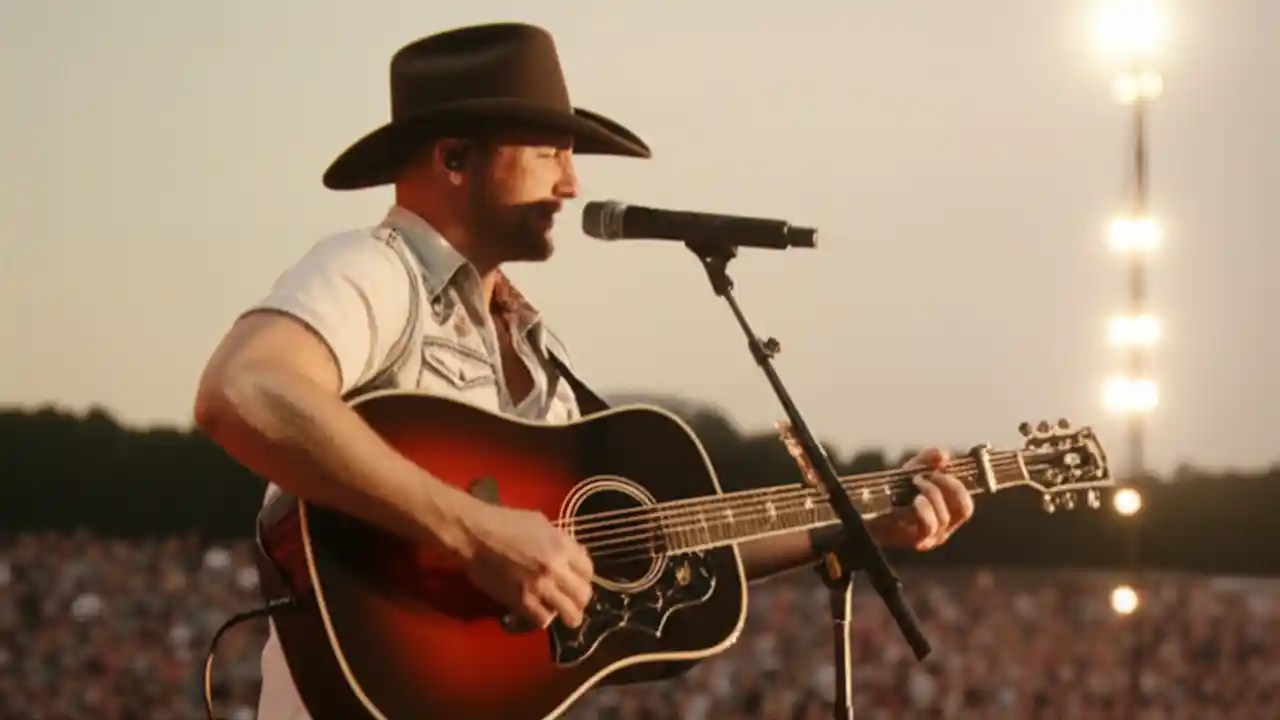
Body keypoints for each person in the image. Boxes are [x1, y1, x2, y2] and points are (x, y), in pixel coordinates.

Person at [193, 22, 975, 718]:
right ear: (455, 158)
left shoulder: (534, 342)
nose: (573, 184)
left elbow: (644, 542)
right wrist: (476, 533)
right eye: (549, 154)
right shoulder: (373, 270)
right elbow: (246, 389)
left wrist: (855, 522)